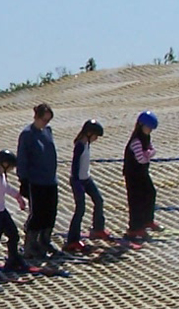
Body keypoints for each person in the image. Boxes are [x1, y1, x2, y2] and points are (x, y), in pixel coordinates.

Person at [16, 103, 60, 259]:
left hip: (50, 180)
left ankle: (45, 241)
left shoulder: (48, 131)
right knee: (37, 214)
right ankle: (30, 245)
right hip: (36, 181)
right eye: (43, 119)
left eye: (48, 120)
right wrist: (23, 180)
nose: (45, 123)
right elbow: (22, 159)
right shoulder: (27, 134)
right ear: (36, 117)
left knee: (50, 212)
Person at [64, 119, 110, 252]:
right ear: (89, 133)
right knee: (80, 209)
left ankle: (98, 228)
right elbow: (75, 166)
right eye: (95, 135)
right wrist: (77, 183)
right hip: (78, 180)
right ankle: (72, 240)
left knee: (99, 200)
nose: (96, 139)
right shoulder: (80, 145)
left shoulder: (87, 143)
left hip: (86, 179)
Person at [123, 111, 162, 240]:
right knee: (136, 201)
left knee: (150, 193)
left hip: (142, 173)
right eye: (148, 127)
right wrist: (149, 154)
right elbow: (142, 159)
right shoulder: (136, 141)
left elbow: (151, 151)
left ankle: (147, 220)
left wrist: (148, 153)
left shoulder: (145, 138)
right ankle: (134, 228)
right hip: (133, 175)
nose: (150, 130)